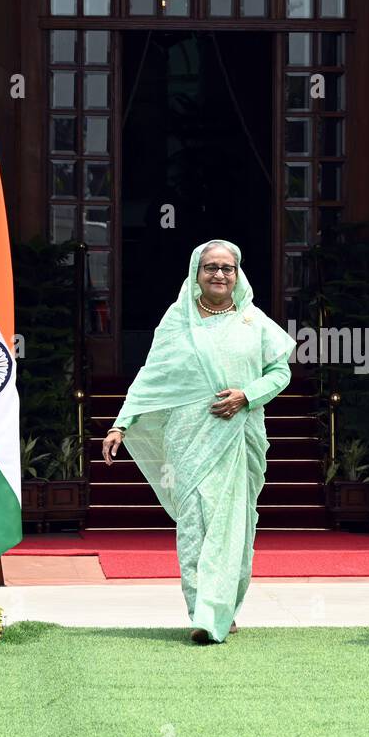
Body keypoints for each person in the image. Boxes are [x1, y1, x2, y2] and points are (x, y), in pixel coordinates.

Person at [101, 240, 295, 645]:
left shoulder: (254, 321)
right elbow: (151, 377)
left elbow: (280, 373)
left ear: (238, 273)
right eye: (211, 267)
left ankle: (223, 608)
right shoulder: (176, 321)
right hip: (188, 440)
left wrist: (247, 395)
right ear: (196, 273)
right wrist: (121, 424)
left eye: (228, 268)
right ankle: (202, 612)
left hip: (240, 437)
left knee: (234, 525)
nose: (219, 275)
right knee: (195, 526)